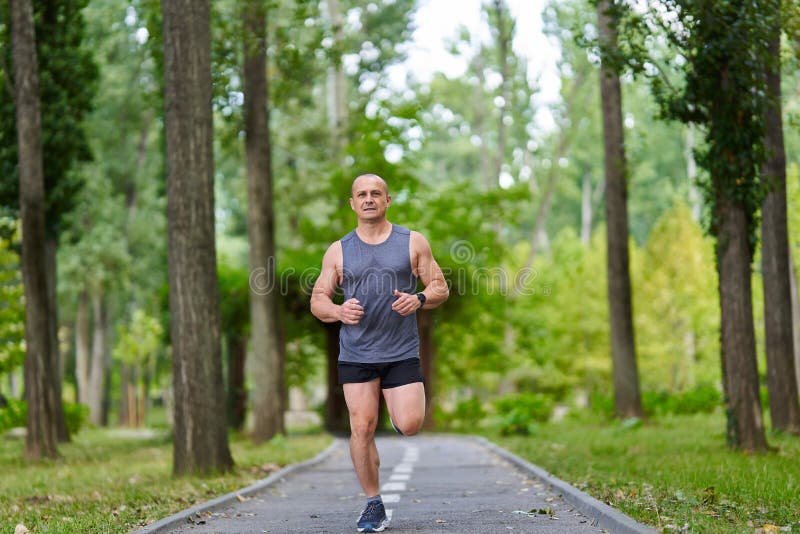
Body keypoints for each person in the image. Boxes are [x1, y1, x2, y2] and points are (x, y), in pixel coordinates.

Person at [311, 174, 449, 533]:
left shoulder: (412, 242)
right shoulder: (338, 250)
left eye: (376, 193)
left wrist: (418, 298)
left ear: (387, 200)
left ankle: (396, 410)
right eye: (362, 194)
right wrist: (339, 312)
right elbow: (318, 300)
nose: (369, 199)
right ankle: (373, 503)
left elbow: (439, 287)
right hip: (356, 353)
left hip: (400, 350)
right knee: (362, 427)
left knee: (409, 424)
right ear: (353, 204)